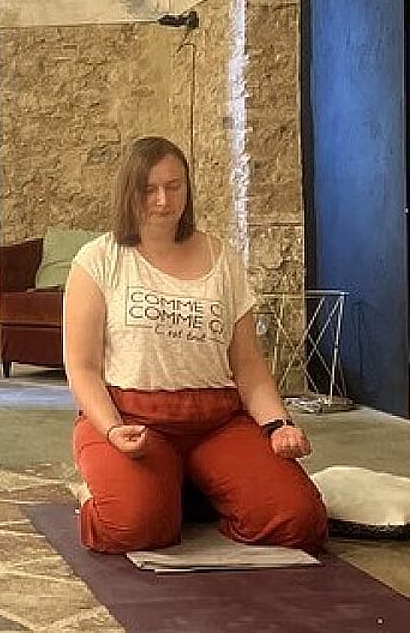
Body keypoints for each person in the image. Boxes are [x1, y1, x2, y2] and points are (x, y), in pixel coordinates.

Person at [63, 136, 327, 554]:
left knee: (300, 520)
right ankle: (102, 491)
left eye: (174, 186)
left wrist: (278, 425)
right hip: (132, 418)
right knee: (133, 528)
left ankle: (186, 487)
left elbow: (248, 366)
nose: (164, 201)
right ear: (127, 192)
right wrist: (111, 429)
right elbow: (81, 367)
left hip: (217, 420)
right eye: (148, 190)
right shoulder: (98, 260)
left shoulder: (223, 258)